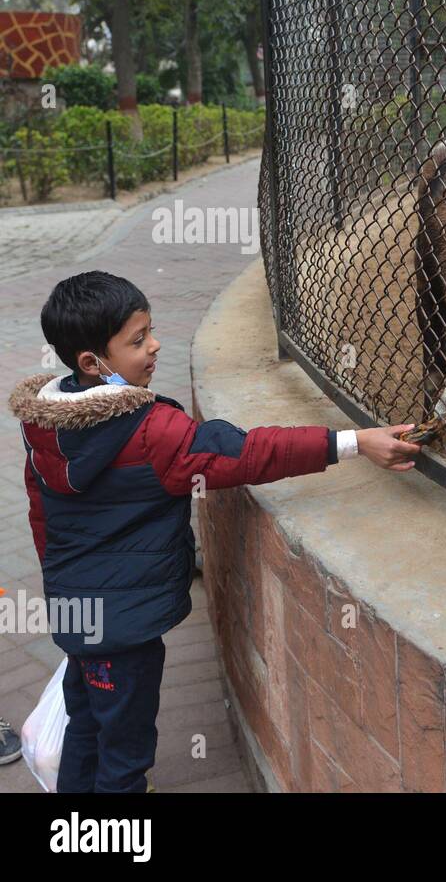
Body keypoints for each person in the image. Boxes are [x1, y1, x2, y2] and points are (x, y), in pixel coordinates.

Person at [9, 271, 421, 792]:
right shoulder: (152, 430)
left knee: (87, 729)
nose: (155, 345)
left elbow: (40, 516)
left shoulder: (43, 424)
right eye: (137, 340)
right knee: (125, 756)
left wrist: (64, 592)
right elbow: (247, 453)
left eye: (151, 329)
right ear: (93, 362)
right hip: (125, 630)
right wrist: (353, 442)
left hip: (77, 615)